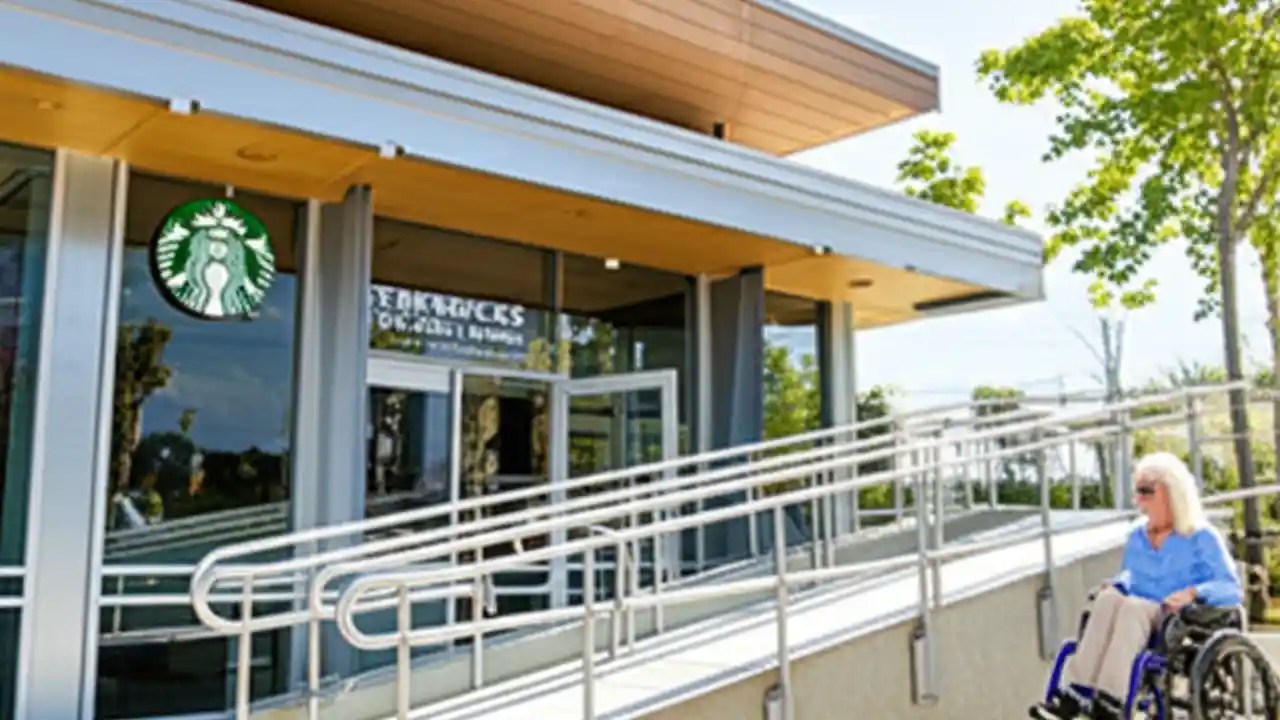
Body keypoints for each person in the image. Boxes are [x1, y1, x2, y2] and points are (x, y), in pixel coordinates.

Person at [1030, 452, 1243, 720]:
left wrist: (1194, 592)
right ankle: (1077, 691)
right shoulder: (1137, 536)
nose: (1138, 500)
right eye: (1137, 491)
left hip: (1176, 617)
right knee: (1108, 600)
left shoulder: (1200, 537)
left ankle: (1112, 698)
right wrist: (1118, 584)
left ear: (1170, 493)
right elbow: (1132, 576)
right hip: (1136, 610)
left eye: (1146, 491)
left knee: (1133, 608)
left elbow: (1230, 588)